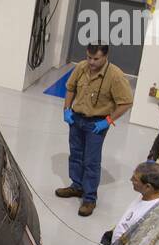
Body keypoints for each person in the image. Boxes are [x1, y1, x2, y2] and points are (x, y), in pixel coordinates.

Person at [55, 43, 134, 216]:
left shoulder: (115, 76)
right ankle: (76, 186)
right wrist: (67, 109)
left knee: (91, 161)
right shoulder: (82, 68)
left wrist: (108, 121)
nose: (91, 62)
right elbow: (70, 88)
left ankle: (89, 198)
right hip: (76, 118)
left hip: (96, 123)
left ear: (105, 56)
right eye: (89, 57)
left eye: (96, 59)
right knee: (75, 154)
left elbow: (126, 102)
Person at [99, 161, 159, 245]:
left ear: (148, 187)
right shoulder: (146, 195)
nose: (131, 180)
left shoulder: (152, 215)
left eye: (135, 179)